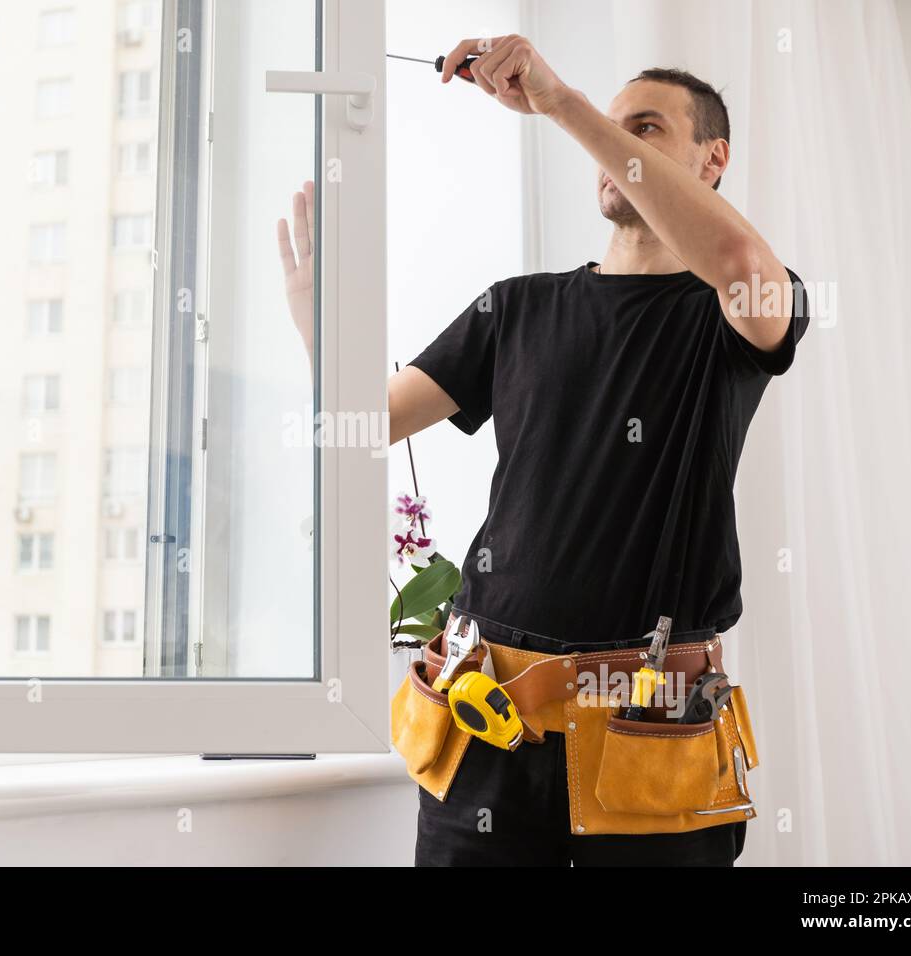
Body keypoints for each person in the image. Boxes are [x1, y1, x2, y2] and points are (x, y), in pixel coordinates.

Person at [277, 36, 809, 866]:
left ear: (713, 161)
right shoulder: (515, 309)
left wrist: (563, 104)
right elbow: (362, 422)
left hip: (648, 738)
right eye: (609, 124)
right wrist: (318, 321)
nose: (612, 142)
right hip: (483, 725)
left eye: (644, 129)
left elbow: (740, 259)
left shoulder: (736, 310)